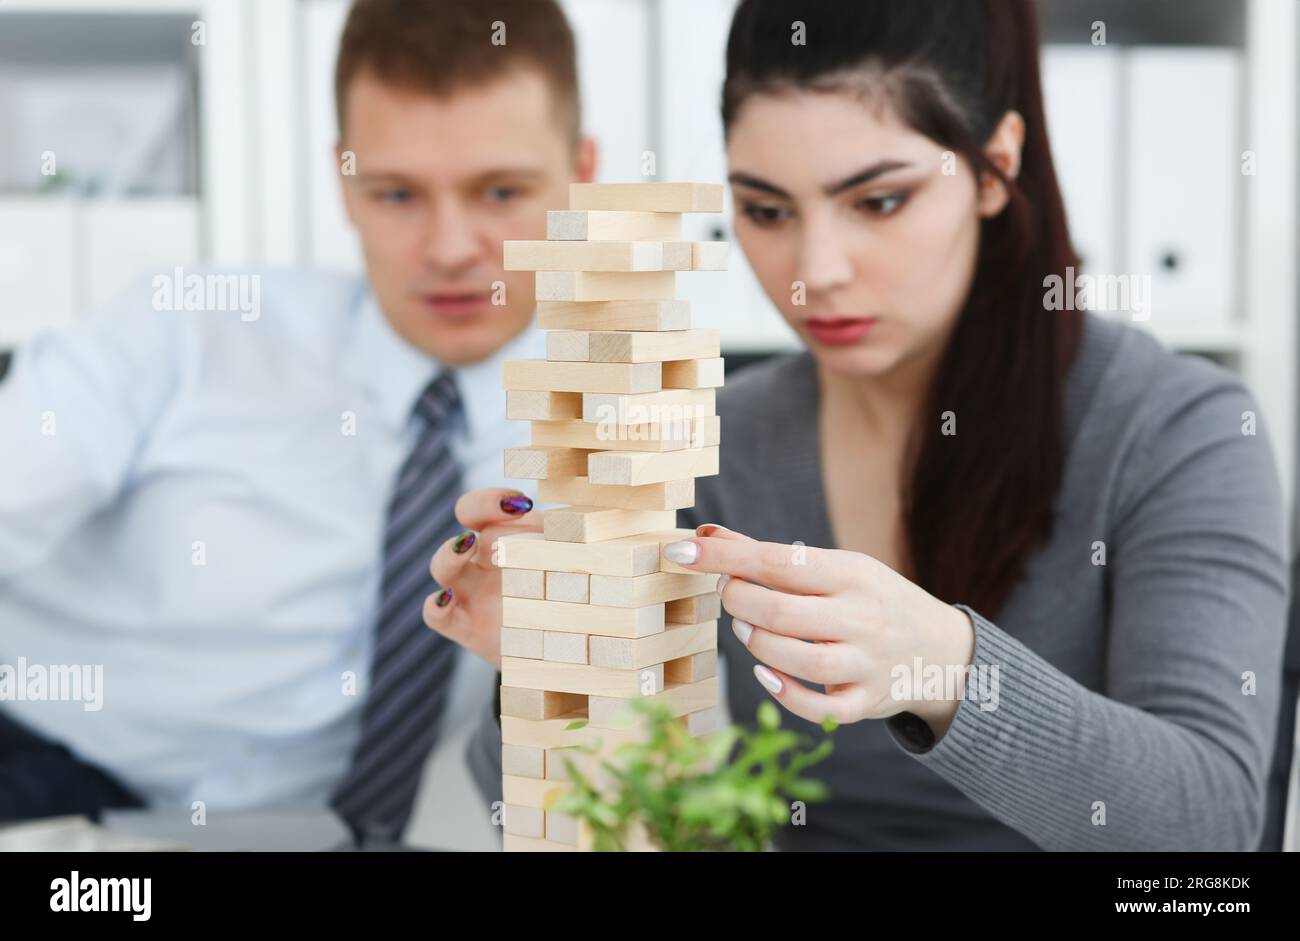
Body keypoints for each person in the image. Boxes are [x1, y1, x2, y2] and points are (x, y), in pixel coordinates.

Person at [427, 0, 1289, 850]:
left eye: (877, 201)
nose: (816, 272)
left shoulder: (1178, 429)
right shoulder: (724, 441)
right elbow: (637, 817)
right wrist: (554, 668)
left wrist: (943, 664)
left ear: (994, 169)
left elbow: (1212, 822)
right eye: (767, 211)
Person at [0, 0, 593, 843]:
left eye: (500, 190)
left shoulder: (614, 444)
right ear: (344, 182)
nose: (451, 247)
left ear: (585, 177)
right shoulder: (180, 333)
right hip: (39, 764)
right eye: (396, 194)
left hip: (301, 833)